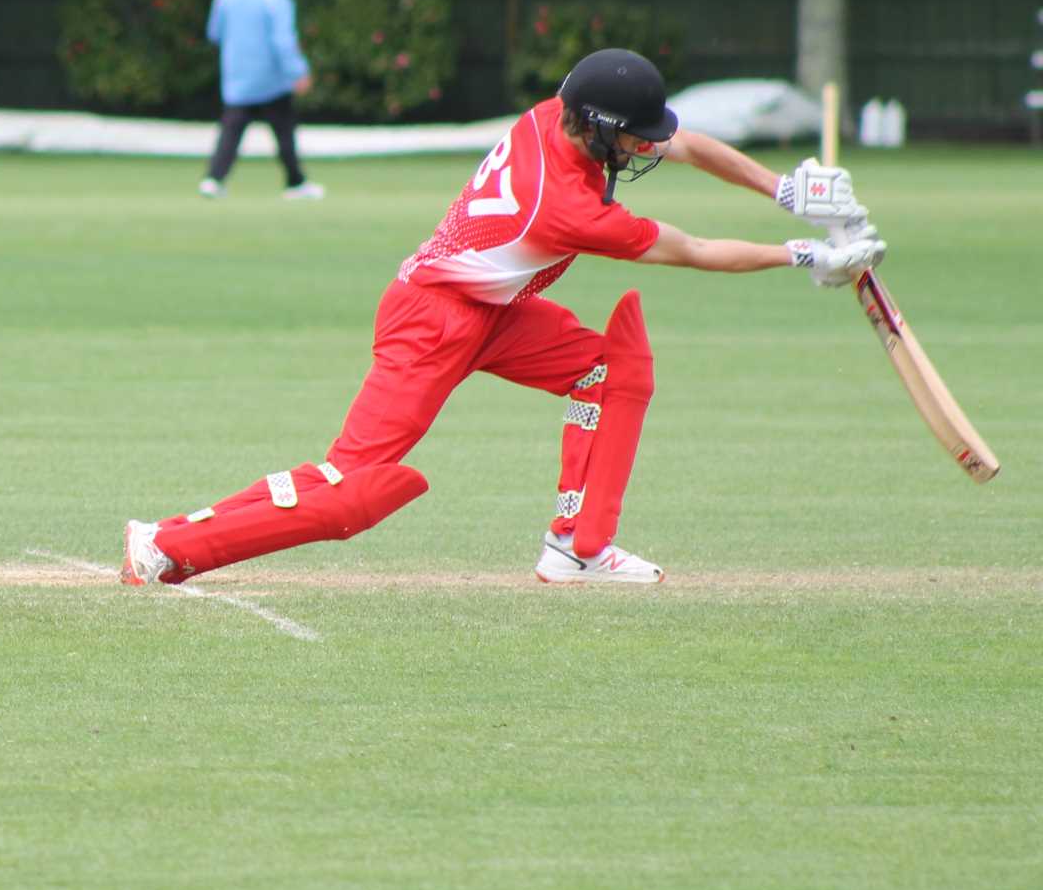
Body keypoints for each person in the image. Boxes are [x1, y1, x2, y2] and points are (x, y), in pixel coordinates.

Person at [122, 48, 886, 589]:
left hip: (491, 310)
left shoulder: (559, 113)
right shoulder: (569, 208)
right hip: (430, 320)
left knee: (611, 368)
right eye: (630, 139)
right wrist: (802, 256)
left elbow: (679, 139)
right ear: (594, 127)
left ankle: (577, 548)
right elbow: (692, 248)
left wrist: (786, 189)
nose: (644, 147)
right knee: (350, 484)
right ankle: (166, 545)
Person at [199, 0, 324, 202]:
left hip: (237, 78)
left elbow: (215, 33)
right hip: (271, 79)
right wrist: (297, 71)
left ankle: (214, 179)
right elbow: (283, 39)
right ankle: (295, 182)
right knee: (284, 132)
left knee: (231, 130)